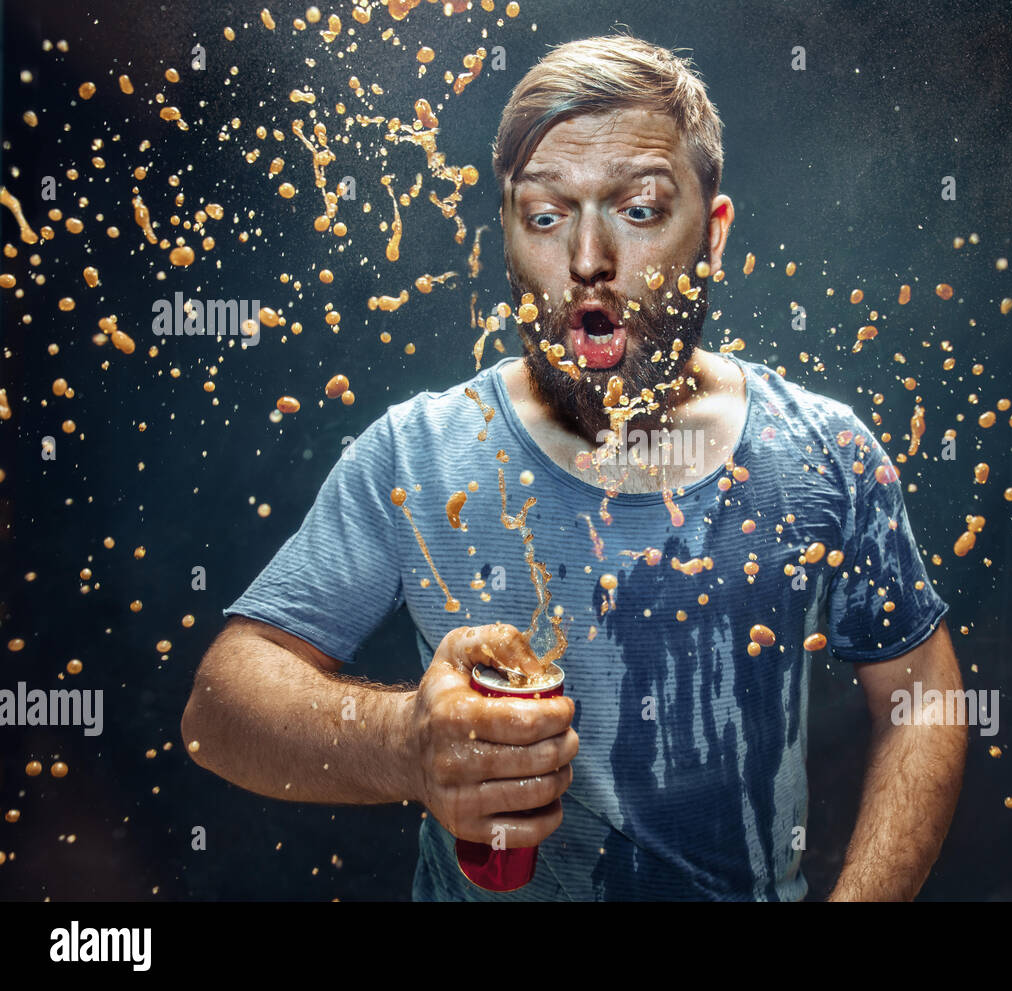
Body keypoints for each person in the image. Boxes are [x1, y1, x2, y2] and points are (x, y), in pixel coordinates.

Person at [181, 33, 966, 901]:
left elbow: (922, 693)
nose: (588, 260)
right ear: (510, 241)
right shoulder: (418, 456)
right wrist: (405, 738)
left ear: (711, 235)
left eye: (638, 210)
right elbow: (220, 707)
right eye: (546, 216)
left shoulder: (821, 452)